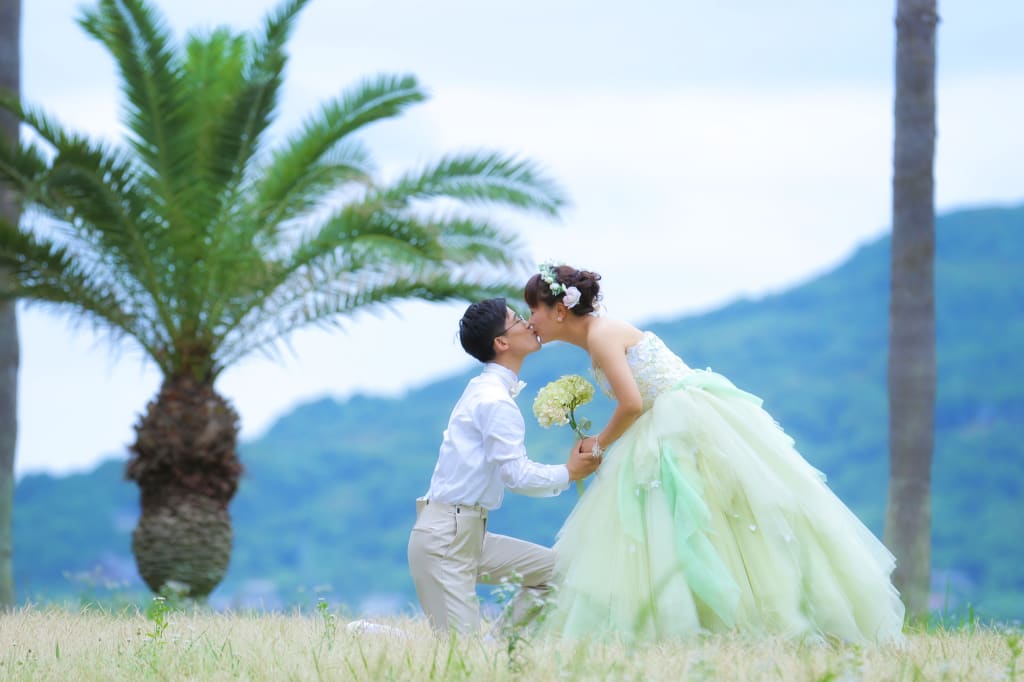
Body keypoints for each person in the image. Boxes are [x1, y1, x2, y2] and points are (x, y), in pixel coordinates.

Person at [523, 264, 906, 644]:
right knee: (697, 523)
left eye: (533, 310)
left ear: (559, 310)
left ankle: (748, 621)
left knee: (700, 521)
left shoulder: (602, 336)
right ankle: (707, 623)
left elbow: (632, 403)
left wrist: (598, 445)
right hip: (676, 419)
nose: (530, 320)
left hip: (683, 424)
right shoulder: (600, 334)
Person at [408, 297, 602, 637]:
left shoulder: (485, 389)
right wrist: (569, 472)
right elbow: (516, 475)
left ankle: (495, 650)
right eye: (518, 319)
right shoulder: (494, 400)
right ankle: (362, 633)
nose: (529, 322)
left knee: (558, 573)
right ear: (501, 342)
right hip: (445, 540)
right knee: (460, 657)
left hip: (467, 534)